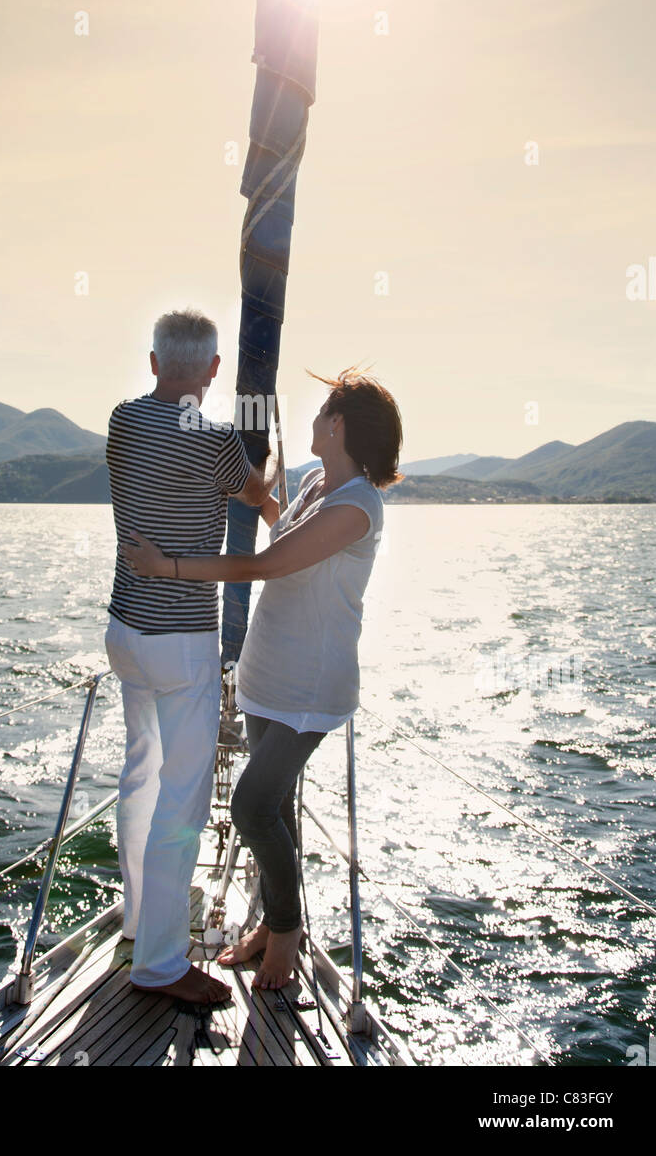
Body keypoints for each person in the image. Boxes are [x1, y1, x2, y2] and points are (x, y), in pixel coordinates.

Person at [121, 366, 403, 991]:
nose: (308, 421)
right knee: (274, 806)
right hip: (266, 674)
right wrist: (262, 481)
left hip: (311, 688)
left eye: (319, 412)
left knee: (250, 806)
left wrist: (167, 567)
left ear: (338, 425)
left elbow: (267, 563)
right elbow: (280, 525)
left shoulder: (357, 507)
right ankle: (278, 922)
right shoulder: (316, 487)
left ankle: (283, 933)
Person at [104, 308, 276, 1006]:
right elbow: (259, 500)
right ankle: (159, 966)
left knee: (138, 777)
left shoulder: (121, 420)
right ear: (210, 370)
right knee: (181, 801)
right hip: (180, 641)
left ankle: (139, 922)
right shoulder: (217, 446)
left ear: (152, 363)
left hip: (124, 633)